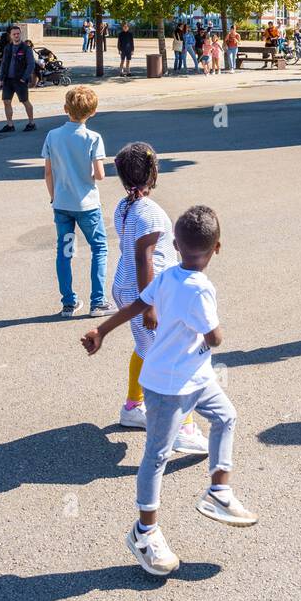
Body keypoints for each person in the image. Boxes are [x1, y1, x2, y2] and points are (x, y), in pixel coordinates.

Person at [81, 204, 257, 577]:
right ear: (218, 248)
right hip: (167, 385)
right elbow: (215, 337)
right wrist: (213, 332)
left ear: (175, 245)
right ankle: (144, 532)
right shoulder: (201, 290)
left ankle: (218, 492)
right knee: (157, 455)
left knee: (226, 416)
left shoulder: (167, 277)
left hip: (196, 378)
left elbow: (136, 305)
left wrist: (102, 330)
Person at [110, 142, 207, 454]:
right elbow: (144, 260)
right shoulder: (149, 213)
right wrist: (150, 305)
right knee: (173, 357)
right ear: (153, 172)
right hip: (147, 292)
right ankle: (183, 427)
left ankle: (132, 407)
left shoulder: (124, 206)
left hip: (125, 286)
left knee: (145, 348)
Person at [42, 85, 111, 319]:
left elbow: (48, 173)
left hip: (62, 204)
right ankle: (98, 301)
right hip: (87, 205)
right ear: (93, 112)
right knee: (99, 248)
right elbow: (99, 174)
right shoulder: (93, 138)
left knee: (65, 250)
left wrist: (53, 196)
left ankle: (69, 302)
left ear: (65, 109)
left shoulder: (52, 136)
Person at [0, 24, 36, 132]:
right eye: (14, 34)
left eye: (18, 34)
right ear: (10, 35)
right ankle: (10, 125)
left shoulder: (26, 48)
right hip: (8, 80)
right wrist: (1, 78)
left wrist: (24, 78)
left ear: (20, 34)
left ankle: (31, 123)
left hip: (20, 80)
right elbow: (4, 63)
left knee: (25, 101)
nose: (16, 36)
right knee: (6, 101)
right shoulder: (8, 48)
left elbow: (31, 65)